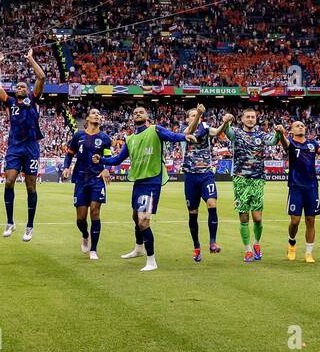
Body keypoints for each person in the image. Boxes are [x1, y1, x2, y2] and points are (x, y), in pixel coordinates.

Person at [102, 105, 193, 272]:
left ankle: (151, 261)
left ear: (147, 116)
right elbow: (116, 160)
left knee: (143, 220)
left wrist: (184, 137)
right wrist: (100, 159)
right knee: (136, 217)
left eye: (141, 112)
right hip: (138, 182)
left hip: (152, 181)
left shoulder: (155, 130)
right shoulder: (129, 139)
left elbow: (172, 136)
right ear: (132, 118)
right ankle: (138, 248)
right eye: (135, 112)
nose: (137, 114)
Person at [0, 48, 46, 241]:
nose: (20, 88)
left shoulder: (34, 100)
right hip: (14, 148)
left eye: (23, 86)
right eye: (18, 86)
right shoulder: (10, 103)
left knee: (31, 187)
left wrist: (30, 59)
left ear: (28, 90)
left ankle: (30, 225)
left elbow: (41, 77)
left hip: (31, 148)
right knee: (9, 181)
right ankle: (10, 222)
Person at [276, 120, 320, 263]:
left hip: (312, 188)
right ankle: (291, 243)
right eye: (297, 125)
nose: (301, 127)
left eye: (302, 125)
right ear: (291, 130)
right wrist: (280, 134)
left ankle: (309, 253)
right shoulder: (290, 142)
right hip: (296, 187)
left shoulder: (312, 144)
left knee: (311, 221)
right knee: (295, 221)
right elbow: (284, 143)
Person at [61, 108, 119, 261]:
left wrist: (106, 169)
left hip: (97, 179)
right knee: (80, 219)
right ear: (87, 118)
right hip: (81, 179)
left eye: (99, 114)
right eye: (94, 113)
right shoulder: (78, 135)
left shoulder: (105, 138)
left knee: (95, 211)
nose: (97, 116)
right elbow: (70, 154)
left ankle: (94, 249)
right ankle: (85, 235)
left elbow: (108, 157)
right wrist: (66, 167)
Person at [221, 108, 277, 262]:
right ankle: (247, 250)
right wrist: (226, 120)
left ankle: (257, 244)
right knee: (243, 216)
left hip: (258, 179)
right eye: (248, 117)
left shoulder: (261, 135)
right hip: (240, 179)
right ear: (243, 119)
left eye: (253, 117)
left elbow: (273, 141)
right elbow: (227, 131)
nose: (251, 119)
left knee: (257, 217)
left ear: (256, 119)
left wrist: (279, 132)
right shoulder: (236, 133)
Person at [181, 103, 221, 261]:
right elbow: (190, 132)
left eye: (196, 115)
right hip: (191, 176)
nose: (195, 117)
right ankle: (196, 246)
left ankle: (212, 242)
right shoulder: (184, 131)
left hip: (206, 174)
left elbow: (216, 132)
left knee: (212, 203)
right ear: (187, 118)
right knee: (193, 213)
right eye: (191, 115)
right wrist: (197, 113)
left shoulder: (205, 127)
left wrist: (225, 122)